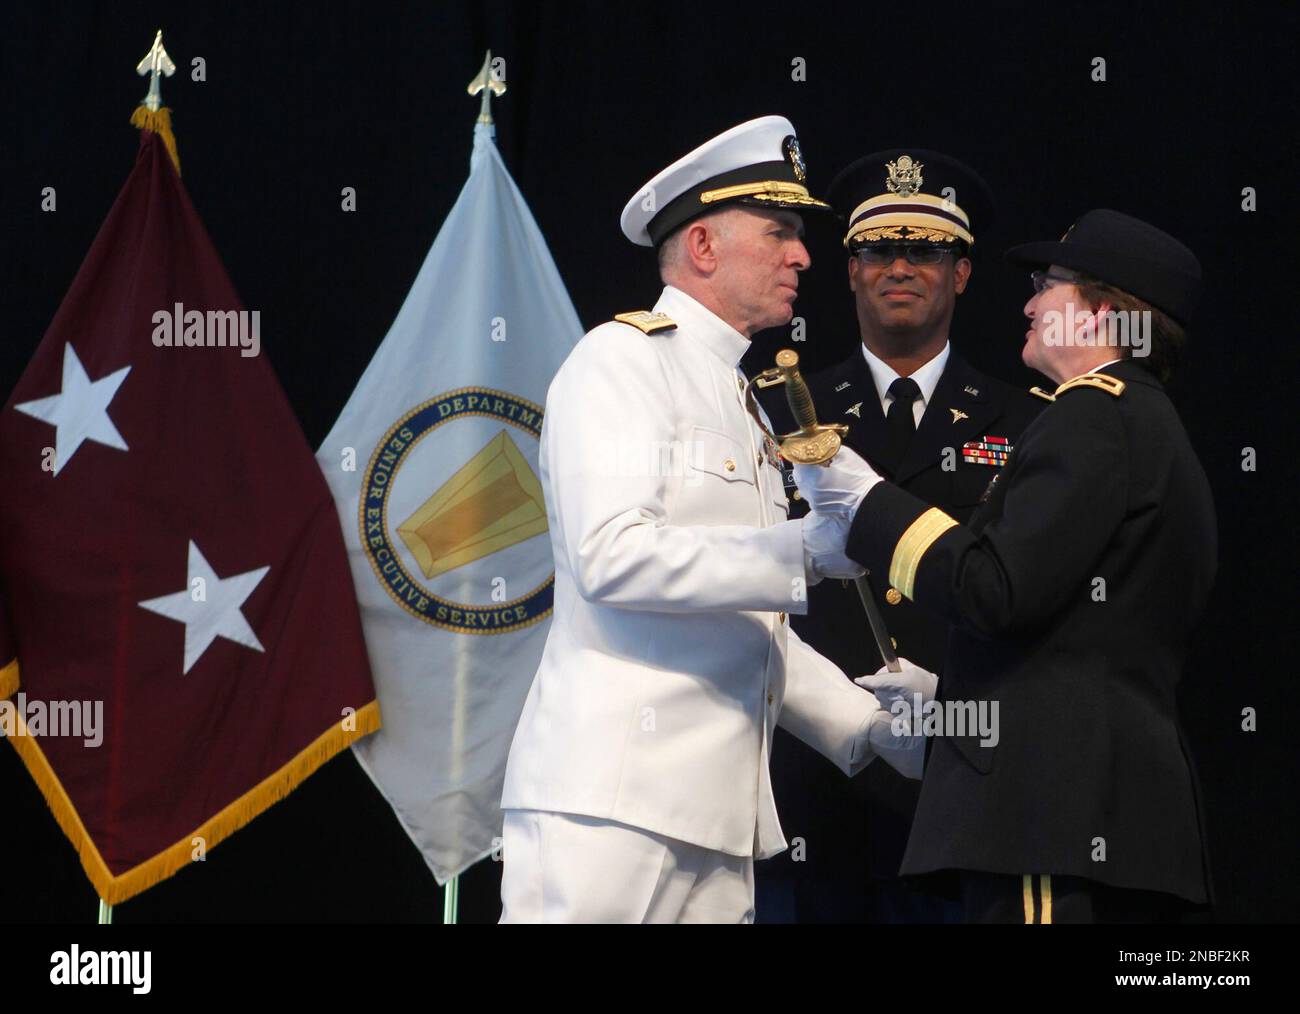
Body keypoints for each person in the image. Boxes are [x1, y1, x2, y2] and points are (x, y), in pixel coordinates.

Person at [499, 116, 931, 923]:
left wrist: (868, 728)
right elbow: (612, 557)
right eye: (779, 232)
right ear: (702, 246)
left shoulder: (741, 394)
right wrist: (801, 550)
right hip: (612, 805)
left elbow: (747, 621)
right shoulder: (621, 361)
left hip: (721, 817)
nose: (802, 256)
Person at [792, 209, 1216, 923]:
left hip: (1049, 811)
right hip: (1096, 810)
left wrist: (866, 502)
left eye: (1047, 285)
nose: (1026, 304)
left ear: (1101, 313)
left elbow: (996, 589)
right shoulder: (1139, 420)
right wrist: (955, 704)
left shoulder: (1094, 416)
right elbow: (1071, 632)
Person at [756, 149, 1042, 923]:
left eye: (926, 249)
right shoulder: (777, 411)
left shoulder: (1031, 421)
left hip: (956, 785)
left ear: (962, 273)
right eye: (878, 249)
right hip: (812, 787)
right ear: (849, 270)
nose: (900, 266)